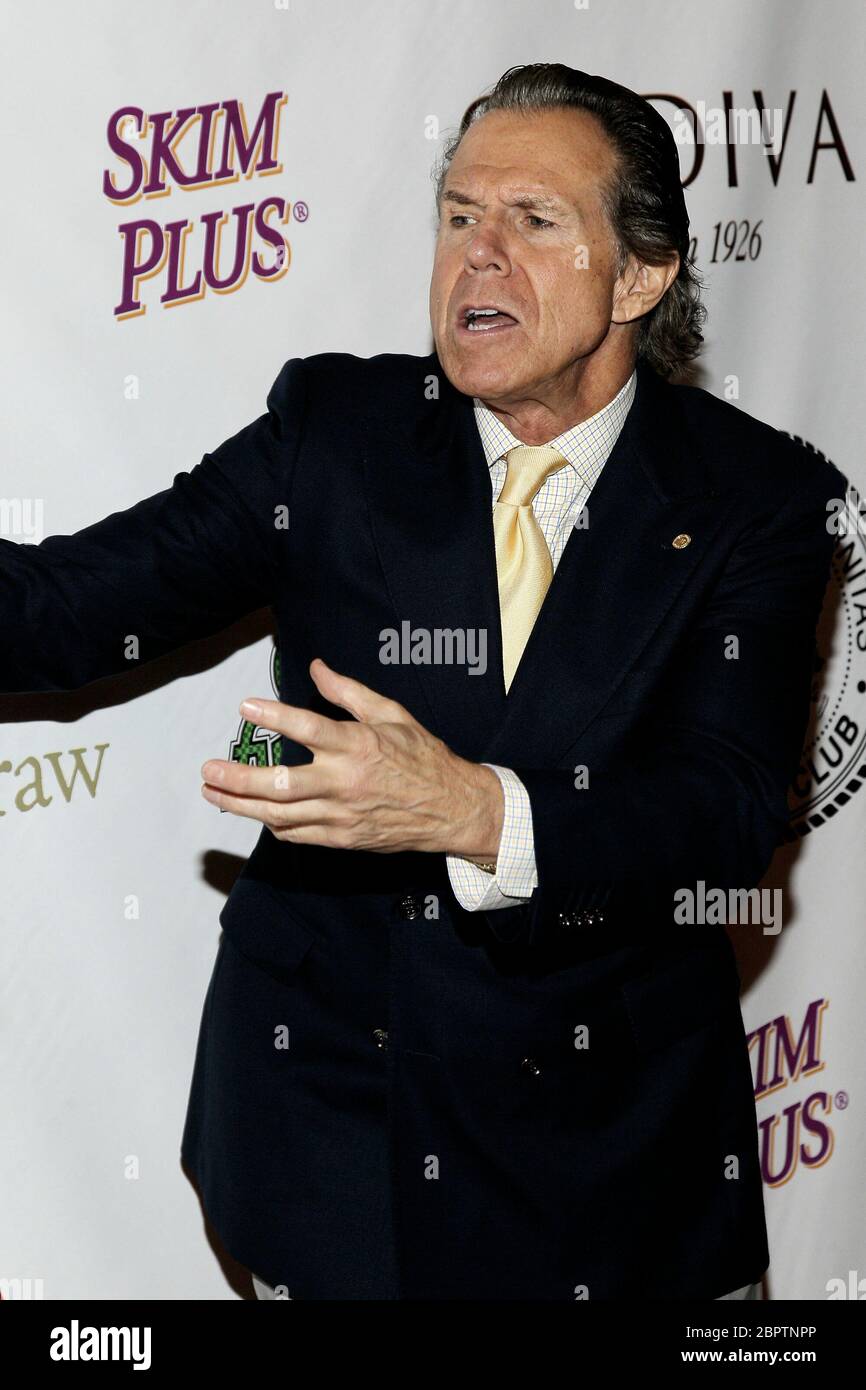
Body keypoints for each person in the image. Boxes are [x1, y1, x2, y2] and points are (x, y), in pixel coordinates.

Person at [1, 64, 843, 1300]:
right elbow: (65, 610)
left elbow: (723, 812)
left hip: (612, 1159)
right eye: (457, 217)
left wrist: (476, 810)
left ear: (639, 275)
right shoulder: (333, 434)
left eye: (532, 222)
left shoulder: (755, 501)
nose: (477, 257)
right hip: (340, 1140)